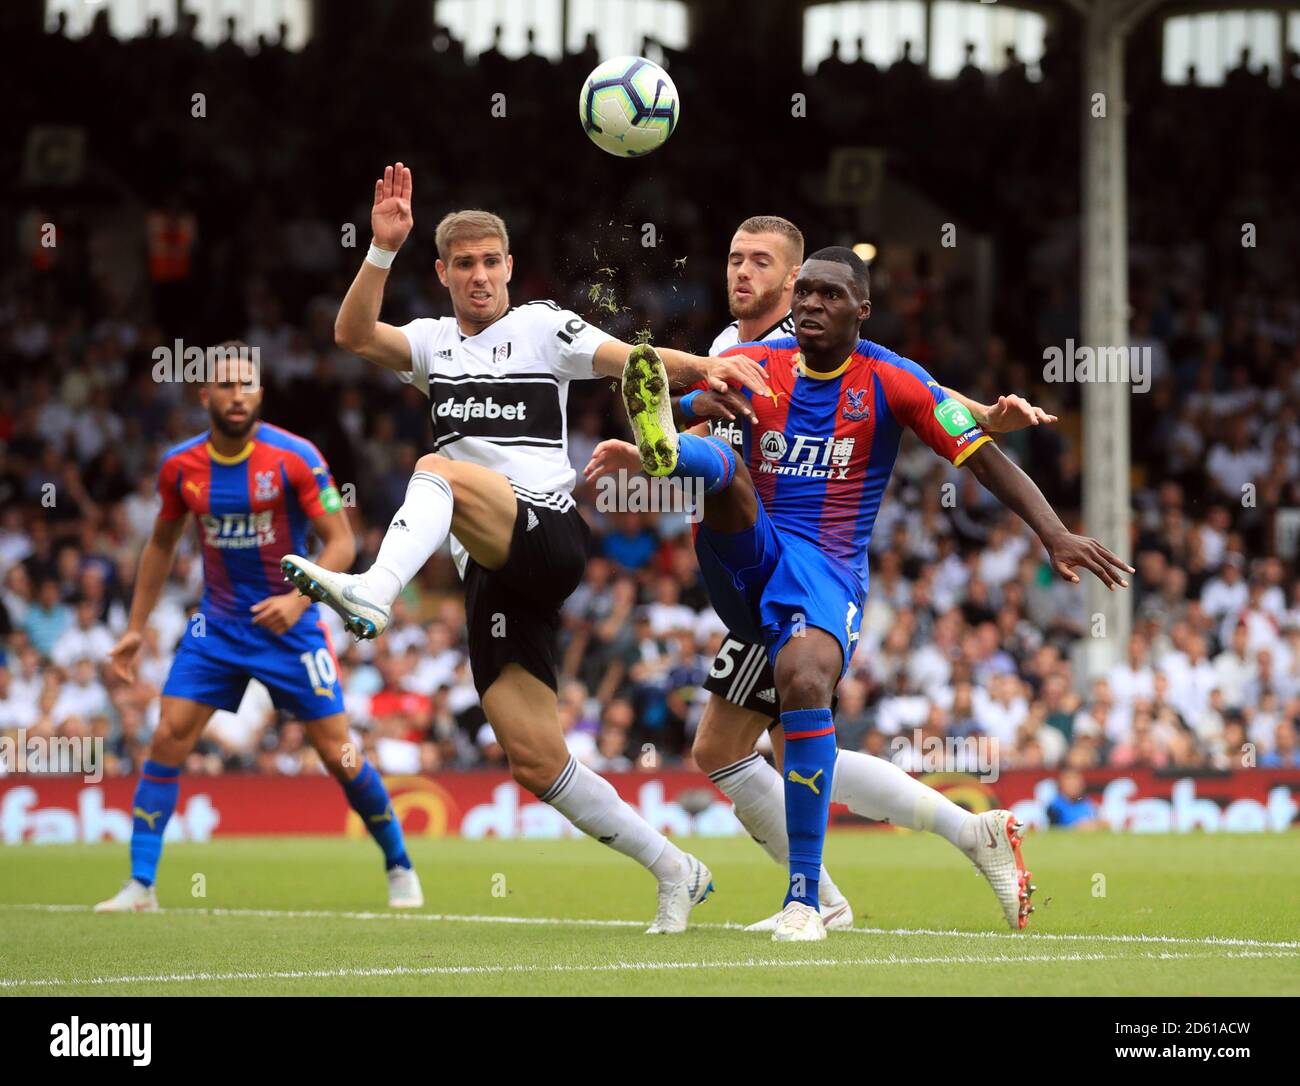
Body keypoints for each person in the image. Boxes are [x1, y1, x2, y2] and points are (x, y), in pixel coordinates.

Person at [283, 164, 765, 933]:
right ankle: (675, 868)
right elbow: (349, 335)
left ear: (510, 266)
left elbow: (629, 359)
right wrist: (381, 250)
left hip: (547, 534)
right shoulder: (432, 343)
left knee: (438, 466)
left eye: (491, 261)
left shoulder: (544, 326)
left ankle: (376, 587)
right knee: (536, 761)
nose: (479, 276)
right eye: (464, 264)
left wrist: (705, 366)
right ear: (441, 273)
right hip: (492, 574)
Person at [607, 246, 1132, 939]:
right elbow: (690, 399)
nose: (812, 306)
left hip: (822, 572)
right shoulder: (756, 365)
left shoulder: (893, 379)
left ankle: (812, 898)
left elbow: (981, 453)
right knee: (725, 471)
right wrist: (663, 422)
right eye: (807, 296)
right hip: (749, 555)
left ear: (862, 309)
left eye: (828, 294)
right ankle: (671, 452)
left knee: (777, 709)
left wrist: (1055, 533)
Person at [98, 347, 423, 911]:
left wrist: (297, 604)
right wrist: (134, 627)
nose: (236, 395)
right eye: (224, 386)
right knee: (168, 736)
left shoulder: (295, 457)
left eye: (246, 384)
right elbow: (160, 544)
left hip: (291, 631)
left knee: (339, 754)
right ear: (205, 396)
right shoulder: (181, 467)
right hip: (217, 627)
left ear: (260, 392)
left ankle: (399, 864)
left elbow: (342, 542)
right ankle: (141, 884)